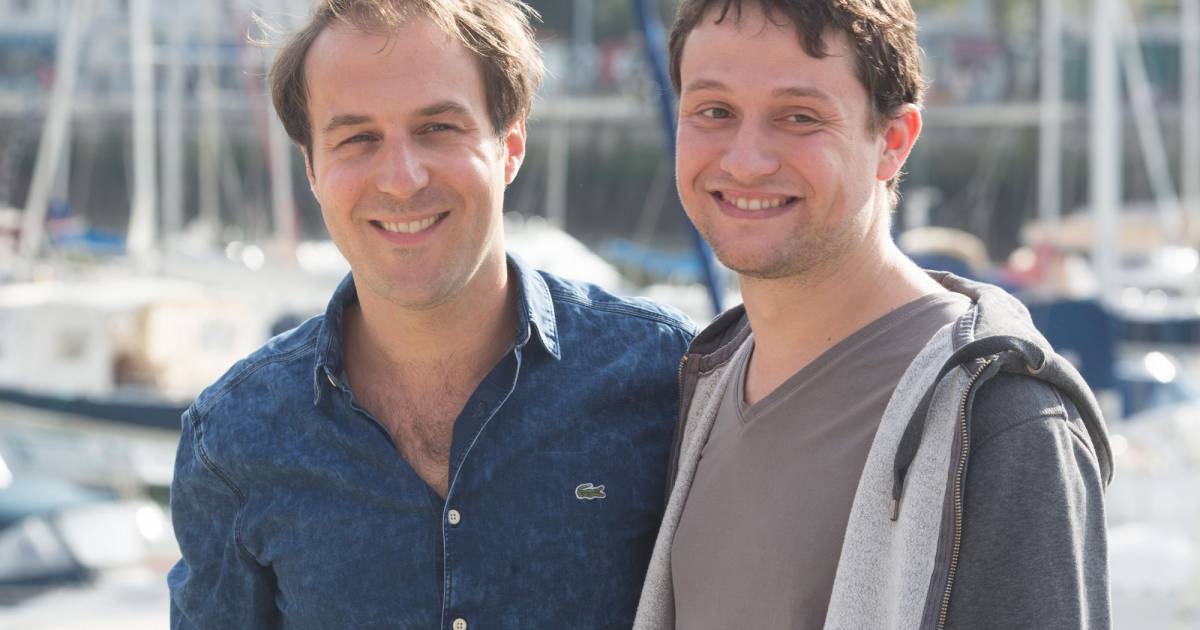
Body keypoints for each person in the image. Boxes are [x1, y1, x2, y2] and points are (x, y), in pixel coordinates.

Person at [167, 1, 695, 627]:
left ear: (511, 145)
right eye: (358, 138)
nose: (401, 178)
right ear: (312, 169)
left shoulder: (664, 378)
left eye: (438, 128)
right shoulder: (233, 438)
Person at [634, 1, 1113, 629]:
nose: (745, 160)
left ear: (892, 142)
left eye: (798, 117)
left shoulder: (1001, 420)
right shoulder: (702, 380)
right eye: (714, 112)